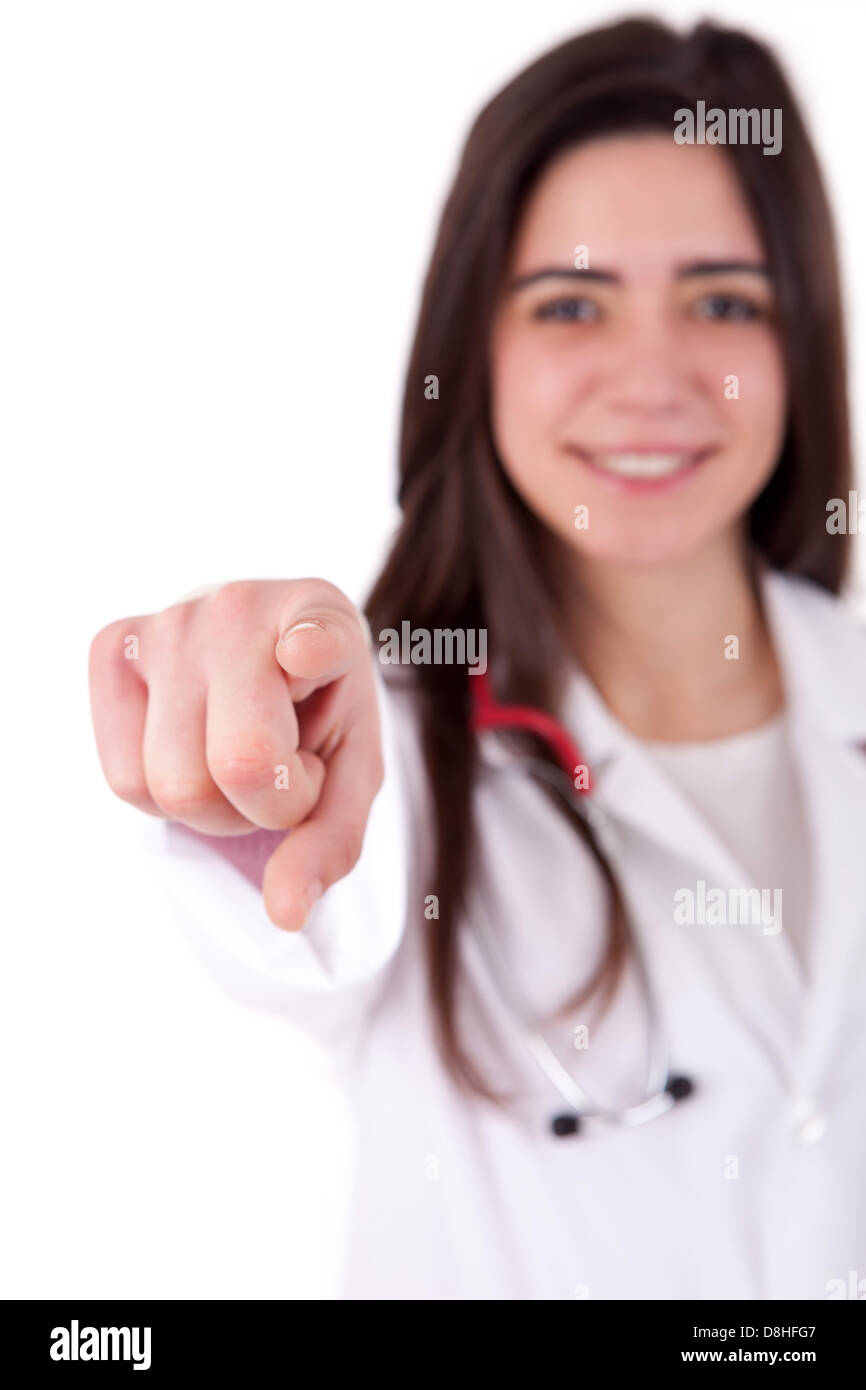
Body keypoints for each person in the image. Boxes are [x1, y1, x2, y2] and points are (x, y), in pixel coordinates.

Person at [88, 16, 866, 1300]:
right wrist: (249, 729)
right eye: (570, 303)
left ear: (798, 346)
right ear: (475, 348)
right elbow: (295, 877)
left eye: (721, 300)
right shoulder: (381, 756)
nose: (651, 374)